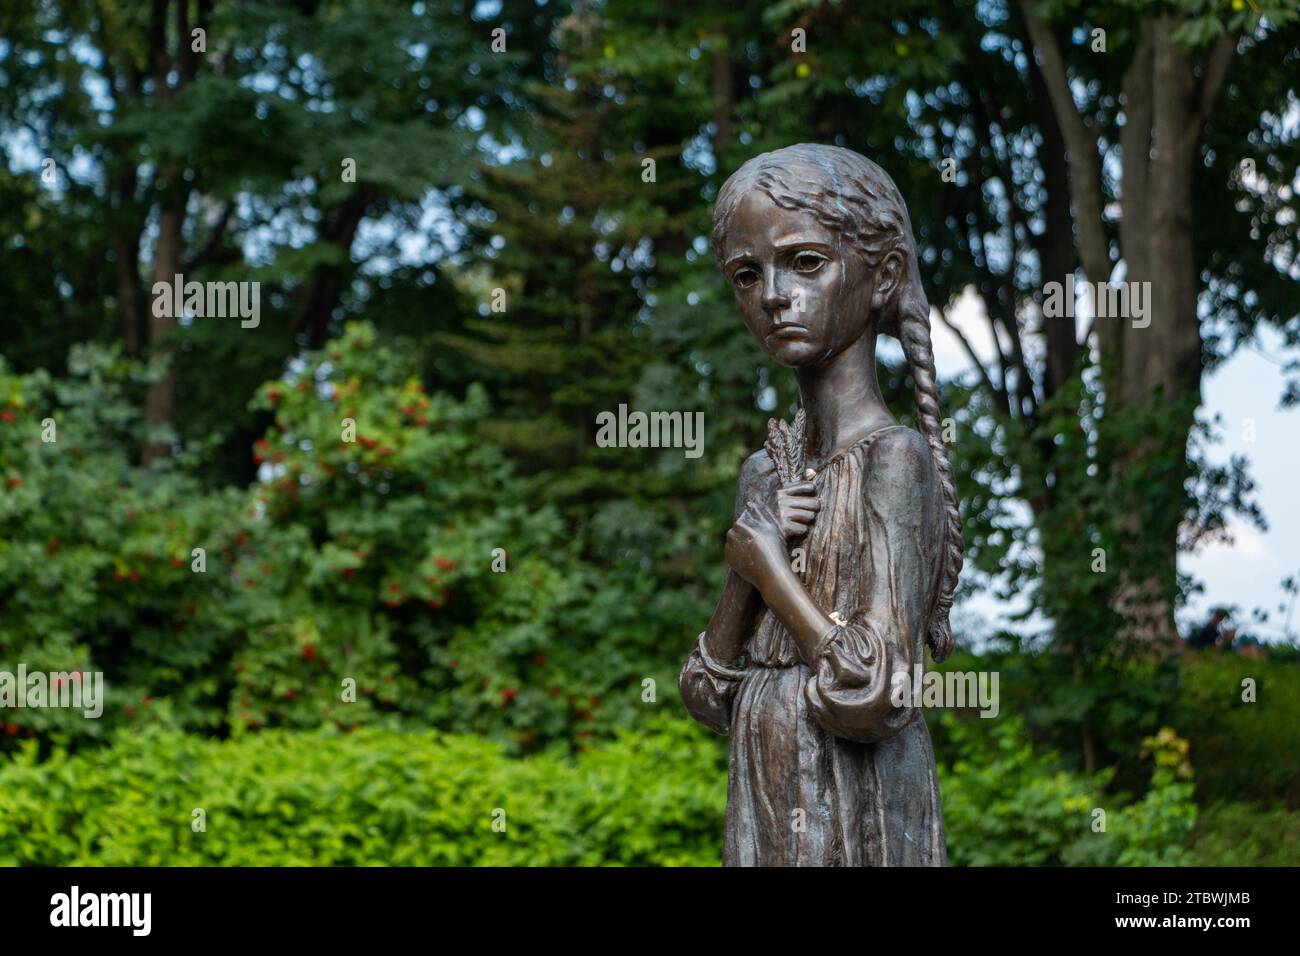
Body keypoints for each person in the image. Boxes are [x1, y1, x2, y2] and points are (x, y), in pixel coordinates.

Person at [678, 145, 962, 866]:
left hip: (855, 799)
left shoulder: (895, 461)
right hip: (764, 783)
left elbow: (874, 696)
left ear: (883, 276)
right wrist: (745, 574)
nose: (773, 294)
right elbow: (709, 695)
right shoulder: (762, 474)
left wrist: (769, 572)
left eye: (805, 262)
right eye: (747, 275)